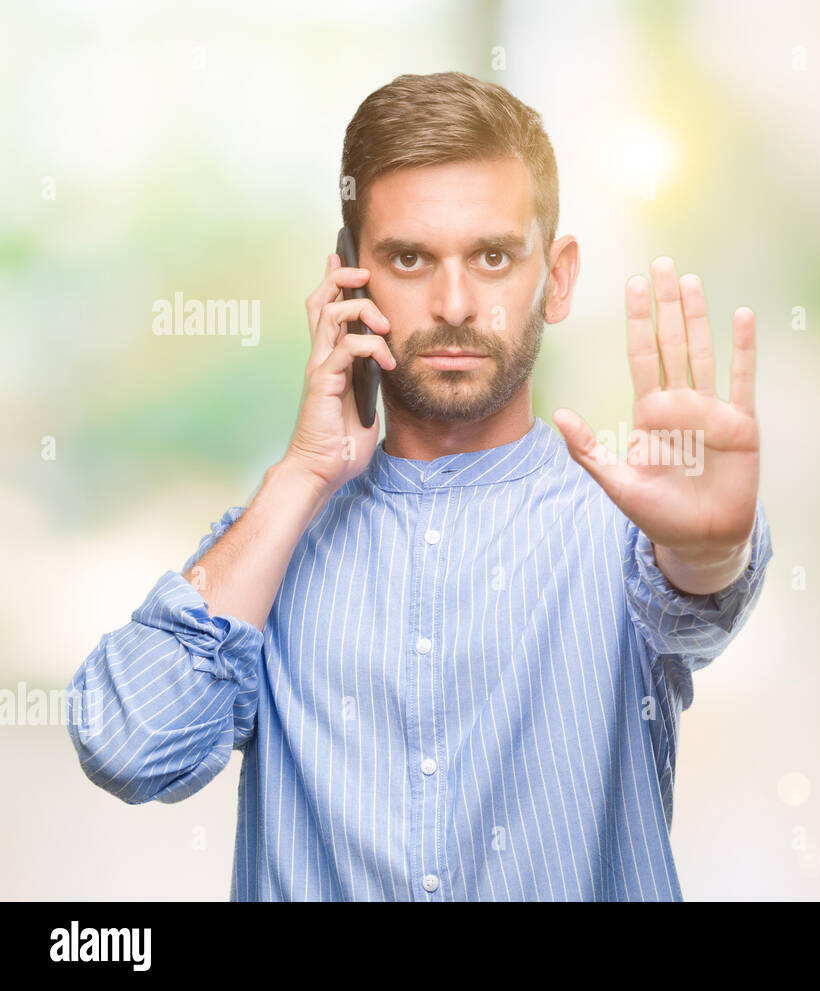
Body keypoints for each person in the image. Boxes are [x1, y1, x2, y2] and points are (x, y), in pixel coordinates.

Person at [67, 71, 772, 901]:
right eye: (409, 257)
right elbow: (128, 743)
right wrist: (302, 473)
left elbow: (694, 590)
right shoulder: (273, 546)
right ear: (347, 281)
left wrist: (711, 547)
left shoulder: (630, 534)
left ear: (560, 275)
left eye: (494, 256)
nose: (454, 302)